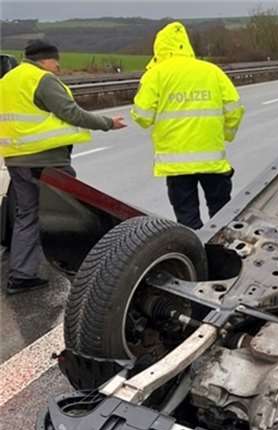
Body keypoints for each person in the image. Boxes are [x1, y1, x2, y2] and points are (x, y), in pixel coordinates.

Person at [0, 40, 126, 294]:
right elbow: (71, 112)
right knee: (69, 216)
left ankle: (21, 275)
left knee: (28, 215)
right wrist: (107, 123)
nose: (58, 66)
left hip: (16, 159)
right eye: (56, 61)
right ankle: (85, 276)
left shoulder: (8, 80)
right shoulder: (41, 79)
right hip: (46, 162)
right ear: (45, 59)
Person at [131, 21, 244, 230]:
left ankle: (199, 257)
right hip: (213, 160)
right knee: (223, 216)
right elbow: (234, 109)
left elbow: (142, 116)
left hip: (176, 164)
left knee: (188, 221)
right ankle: (226, 255)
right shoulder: (212, 71)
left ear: (160, 47)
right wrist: (225, 134)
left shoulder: (155, 74)